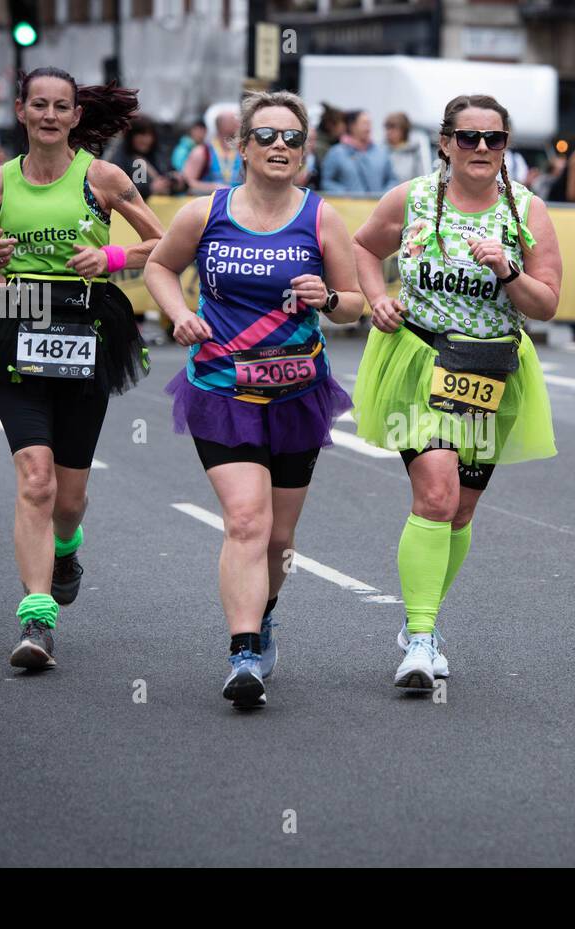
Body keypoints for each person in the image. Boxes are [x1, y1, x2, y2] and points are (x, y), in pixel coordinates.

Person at [144, 91, 360, 709]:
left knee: (279, 536)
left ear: (306, 150)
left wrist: (327, 298)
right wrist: (180, 313)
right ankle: (243, 653)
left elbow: (354, 306)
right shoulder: (204, 212)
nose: (280, 148)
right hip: (221, 387)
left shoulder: (321, 218)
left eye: (292, 138)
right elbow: (159, 266)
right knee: (246, 519)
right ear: (241, 148)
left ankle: (264, 615)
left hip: (297, 392)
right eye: (266, 136)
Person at [0, 66, 164, 670]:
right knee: (36, 479)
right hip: (17, 325)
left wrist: (112, 253)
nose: (49, 115)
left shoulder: (101, 177)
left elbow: (166, 241)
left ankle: (66, 547)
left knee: (69, 499)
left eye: (61, 106)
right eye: (38, 104)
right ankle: (36, 619)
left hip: (87, 329)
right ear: (21, 111)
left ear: (76, 117)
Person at [350, 93, 562, 690]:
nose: (481, 149)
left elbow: (547, 305)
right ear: (445, 143)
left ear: (505, 147)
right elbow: (364, 247)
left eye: (493, 139)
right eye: (468, 138)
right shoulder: (413, 198)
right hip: (420, 360)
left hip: (491, 371)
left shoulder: (527, 212)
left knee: (461, 510)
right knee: (437, 496)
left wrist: (509, 270)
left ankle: (425, 621)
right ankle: (419, 639)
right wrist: (378, 298)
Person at [320, 109, 394, 195]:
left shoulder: (381, 152)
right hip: (348, 206)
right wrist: (345, 194)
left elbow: (392, 179)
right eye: (364, 124)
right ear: (352, 126)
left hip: (378, 205)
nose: (368, 128)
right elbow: (327, 182)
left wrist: (385, 195)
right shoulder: (336, 153)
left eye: (369, 123)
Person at [109, 114, 180, 198]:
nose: (147, 140)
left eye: (150, 135)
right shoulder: (120, 159)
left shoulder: (158, 155)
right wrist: (150, 189)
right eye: (142, 134)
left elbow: (172, 175)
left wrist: (178, 182)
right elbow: (118, 194)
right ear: (131, 136)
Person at [183, 103, 242, 193]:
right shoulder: (202, 151)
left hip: (237, 203)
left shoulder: (243, 150)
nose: (239, 124)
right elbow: (186, 182)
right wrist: (212, 187)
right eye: (235, 120)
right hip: (210, 203)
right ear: (222, 124)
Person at [384, 111, 430, 184]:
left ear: (403, 130)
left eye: (393, 128)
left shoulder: (414, 151)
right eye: (387, 128)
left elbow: (422, 177)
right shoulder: (382, 151)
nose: (389, 132)